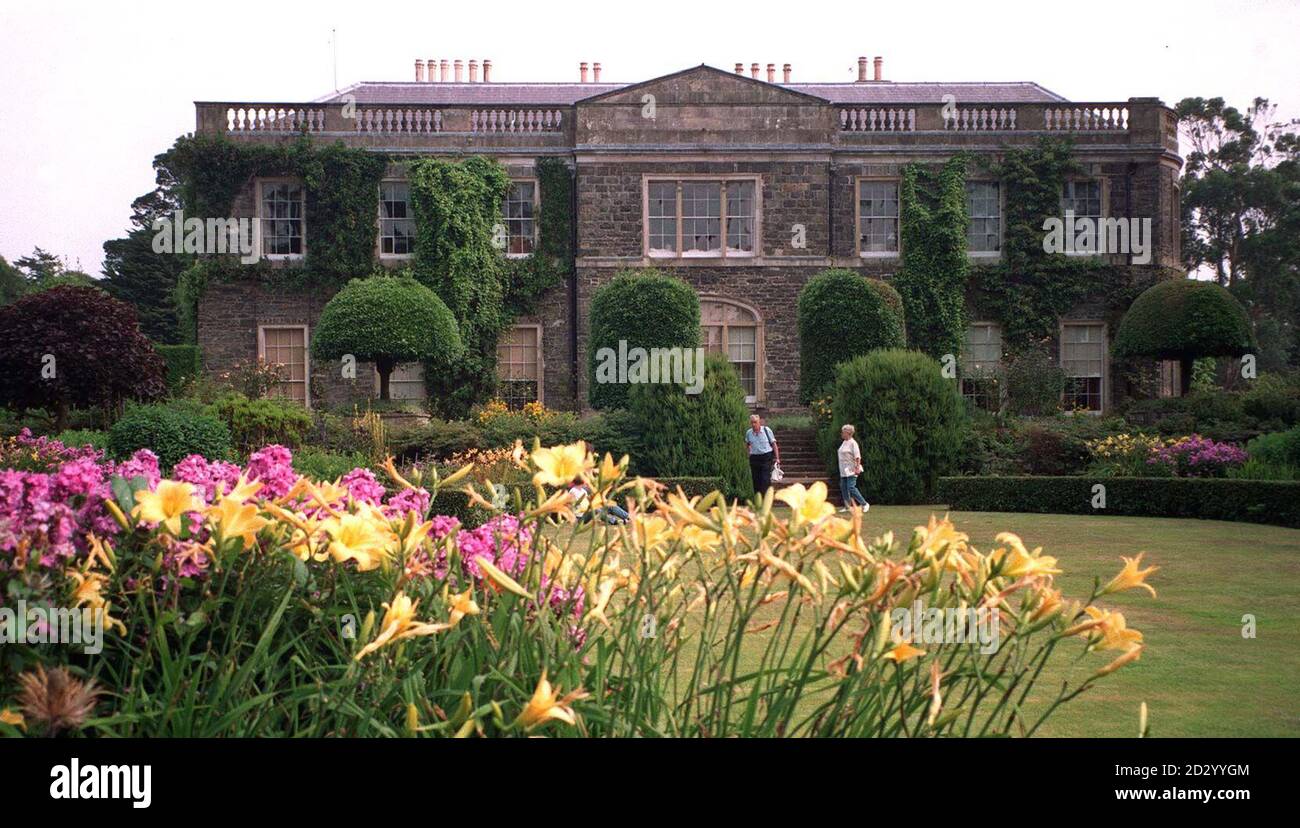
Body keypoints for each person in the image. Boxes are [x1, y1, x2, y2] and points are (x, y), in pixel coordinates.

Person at [837, 424, 869, 511]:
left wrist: (857, 468)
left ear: (848, 433)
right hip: (844, 470)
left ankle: (864, 504)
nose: (841, 434)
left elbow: (857, 456)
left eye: (843, 432)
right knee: (843, 487)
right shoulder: (844, 442)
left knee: (851, 487)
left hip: (852, 469)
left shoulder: (853, 443)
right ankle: (847, 506)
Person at [745, 414, 780, 494]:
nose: (753, 424)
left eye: (755, 422)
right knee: (756, 480)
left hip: (766, 457)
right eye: (752, 423)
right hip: (754, 458)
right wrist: (749, 454)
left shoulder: (767, 430)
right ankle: (758, 499)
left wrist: (777, 458)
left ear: (759, 422)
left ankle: (766, 499)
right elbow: (747, 444)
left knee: (765, 479)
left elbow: (774, 444)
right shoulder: (749, 433)